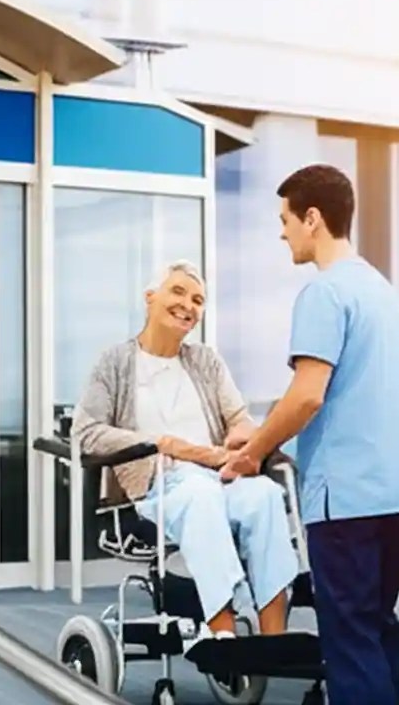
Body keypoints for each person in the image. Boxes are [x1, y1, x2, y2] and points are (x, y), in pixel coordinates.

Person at [223, 164, 399, 704]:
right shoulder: (380, 289)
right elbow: (350, 395)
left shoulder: (324, 293)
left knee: (348, 640)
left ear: (312, 218)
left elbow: (309, 393)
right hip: (396, 490)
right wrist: (260, 430)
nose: (282, 232)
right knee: (376, 628)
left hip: (348, 498)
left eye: (286, 220)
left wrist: (255, 451)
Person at [72, 259, 298, 638]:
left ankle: (273, 641)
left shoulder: (205, 361)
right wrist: (163, 444)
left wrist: (241, 436)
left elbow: (238, 418)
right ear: (150, 298)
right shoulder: (115, 362)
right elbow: (87, 433)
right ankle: (222, 634)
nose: (188, 305)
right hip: (161, 489)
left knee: (265, 495)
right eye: (177, 292)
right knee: (199, 495)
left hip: (219, 480)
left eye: (198, 299)